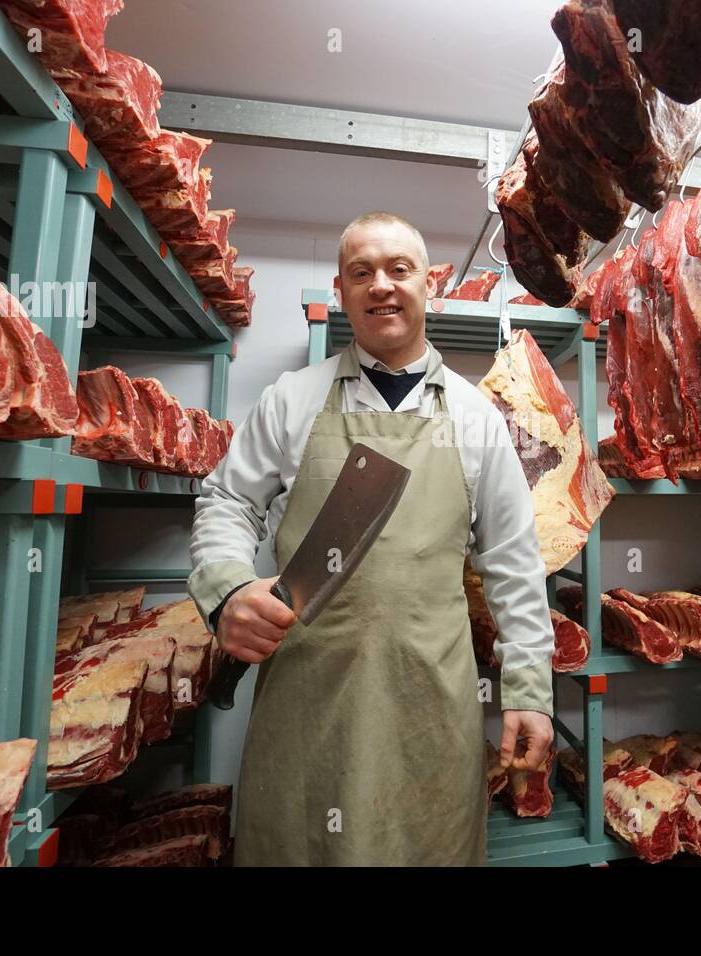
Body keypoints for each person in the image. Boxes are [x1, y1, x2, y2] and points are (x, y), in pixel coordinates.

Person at [188, 211, 555, 865]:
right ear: (341, 290)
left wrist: (529, 691)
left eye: (398, 269)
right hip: (308, 704)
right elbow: (227, 502)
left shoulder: (475, 419)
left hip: (430, 708)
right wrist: (226, 590)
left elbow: (513, 562)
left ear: (429, 285)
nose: (380, 285)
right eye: (362, 273)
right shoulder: (291, 399)